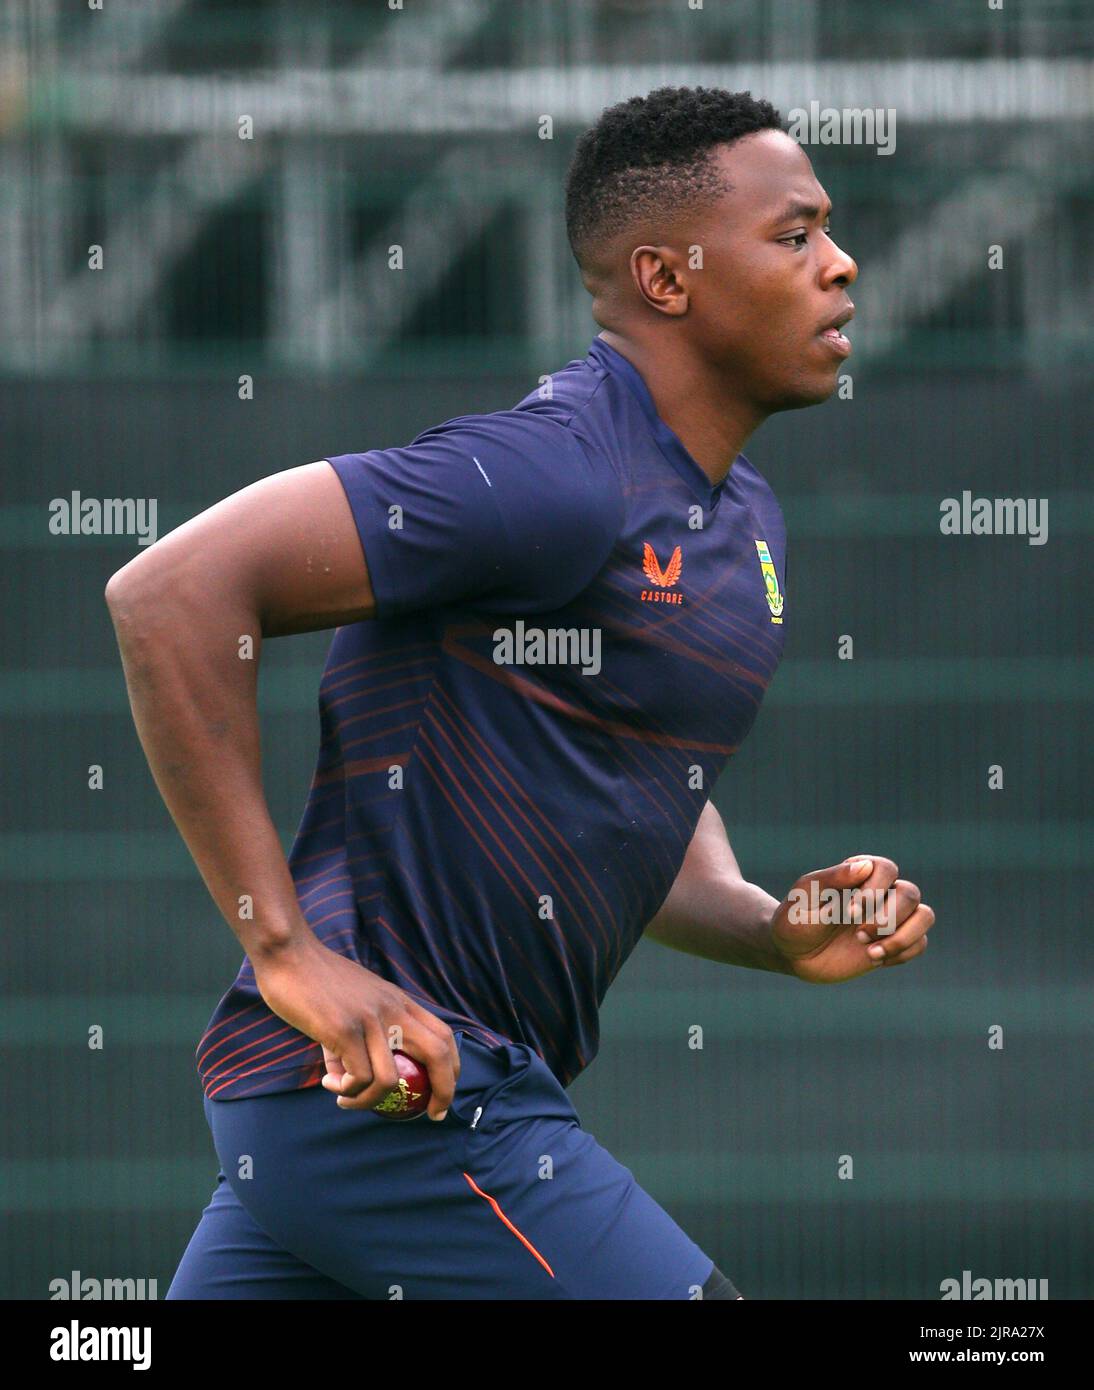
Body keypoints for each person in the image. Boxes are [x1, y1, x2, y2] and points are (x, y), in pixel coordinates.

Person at [106, 86, 935, 1300]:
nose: (840, 263)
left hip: (352, 1111)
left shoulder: (742, 526)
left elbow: (638, 787)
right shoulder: (555, 472)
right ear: (665, 278)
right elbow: (170, 595)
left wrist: (764, 925)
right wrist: (281, 947)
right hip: (399, 1095)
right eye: (793, 233)